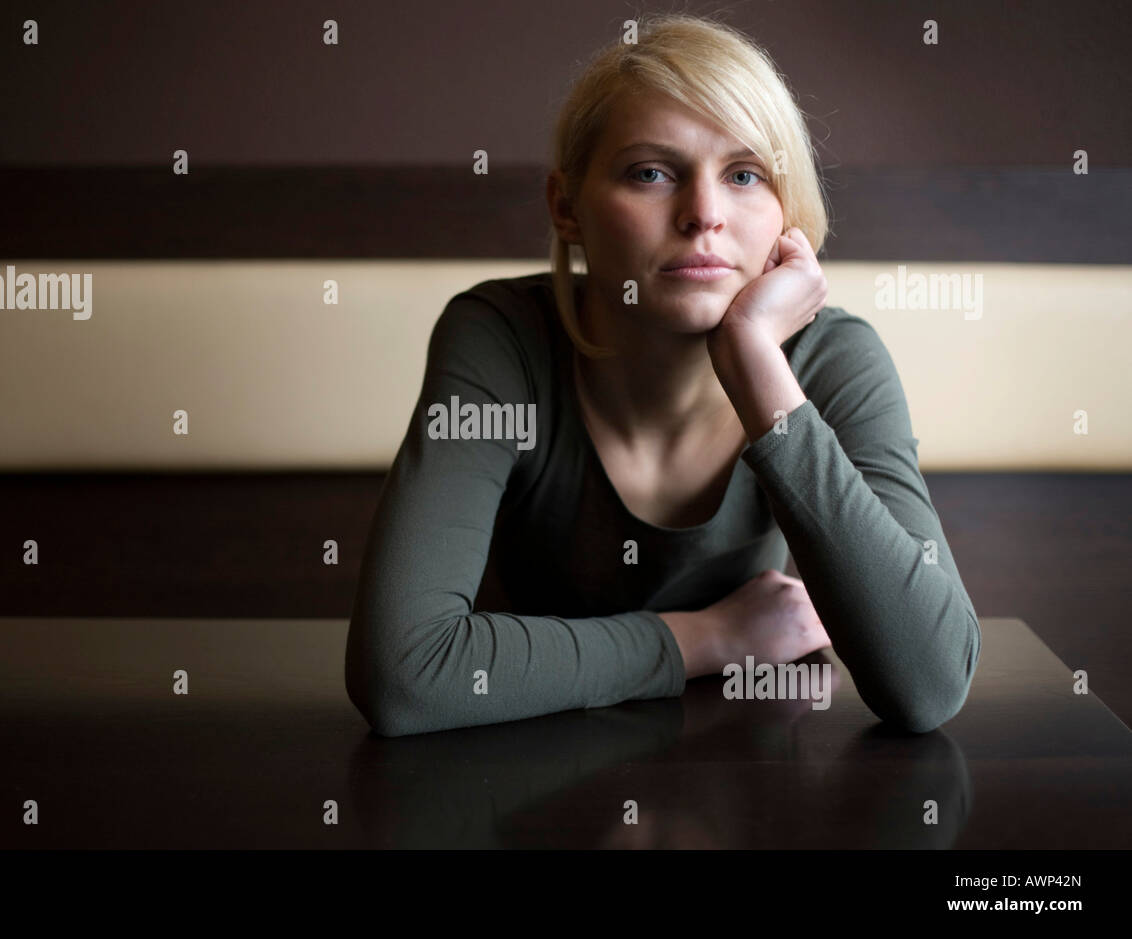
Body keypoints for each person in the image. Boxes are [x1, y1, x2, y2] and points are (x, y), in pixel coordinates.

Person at [345, 13, 981, 737]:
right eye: (651, 172)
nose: (703, 214)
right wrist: (709, 638)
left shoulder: (833, 361)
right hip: (528, 774)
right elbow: (405, 672)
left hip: (756, 780)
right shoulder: (501, 339)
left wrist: (754, 361)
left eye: (745, 175)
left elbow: (931, 682)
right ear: (567, 207)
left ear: (787, 213)